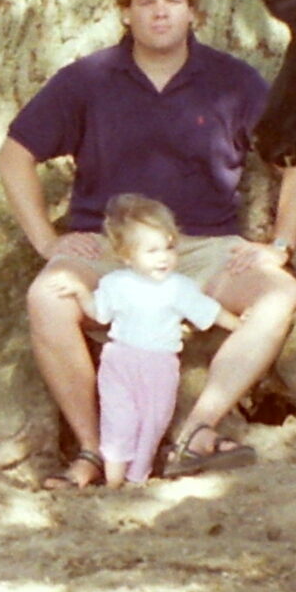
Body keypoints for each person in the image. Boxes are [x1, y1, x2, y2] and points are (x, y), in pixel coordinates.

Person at [0, 0, 296, 490]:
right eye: (146, 2)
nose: (160, 12)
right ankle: (94, 451)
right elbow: (13, 157)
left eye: (172, 1)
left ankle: (196, 433)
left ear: (193, 12)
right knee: (47, 298)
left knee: (279, 293)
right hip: (109, 248)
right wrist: (47, 242)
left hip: (205, 248)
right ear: (126, 13)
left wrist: (280, 245)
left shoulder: (232, 81)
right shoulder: (87, 79)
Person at [90, 194, 240, 485]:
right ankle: (113, 481)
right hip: (120, 360)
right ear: (126, 255)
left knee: (153, 423)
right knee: (118, 420)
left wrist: (237, 324)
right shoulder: (114, 283)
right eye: (152, 250)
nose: (163, 257)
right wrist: (78, 293)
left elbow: (209, 311)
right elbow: (99, 313)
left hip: (160, 365)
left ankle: (137, 478)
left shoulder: (179, 287)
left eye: (169, 247)